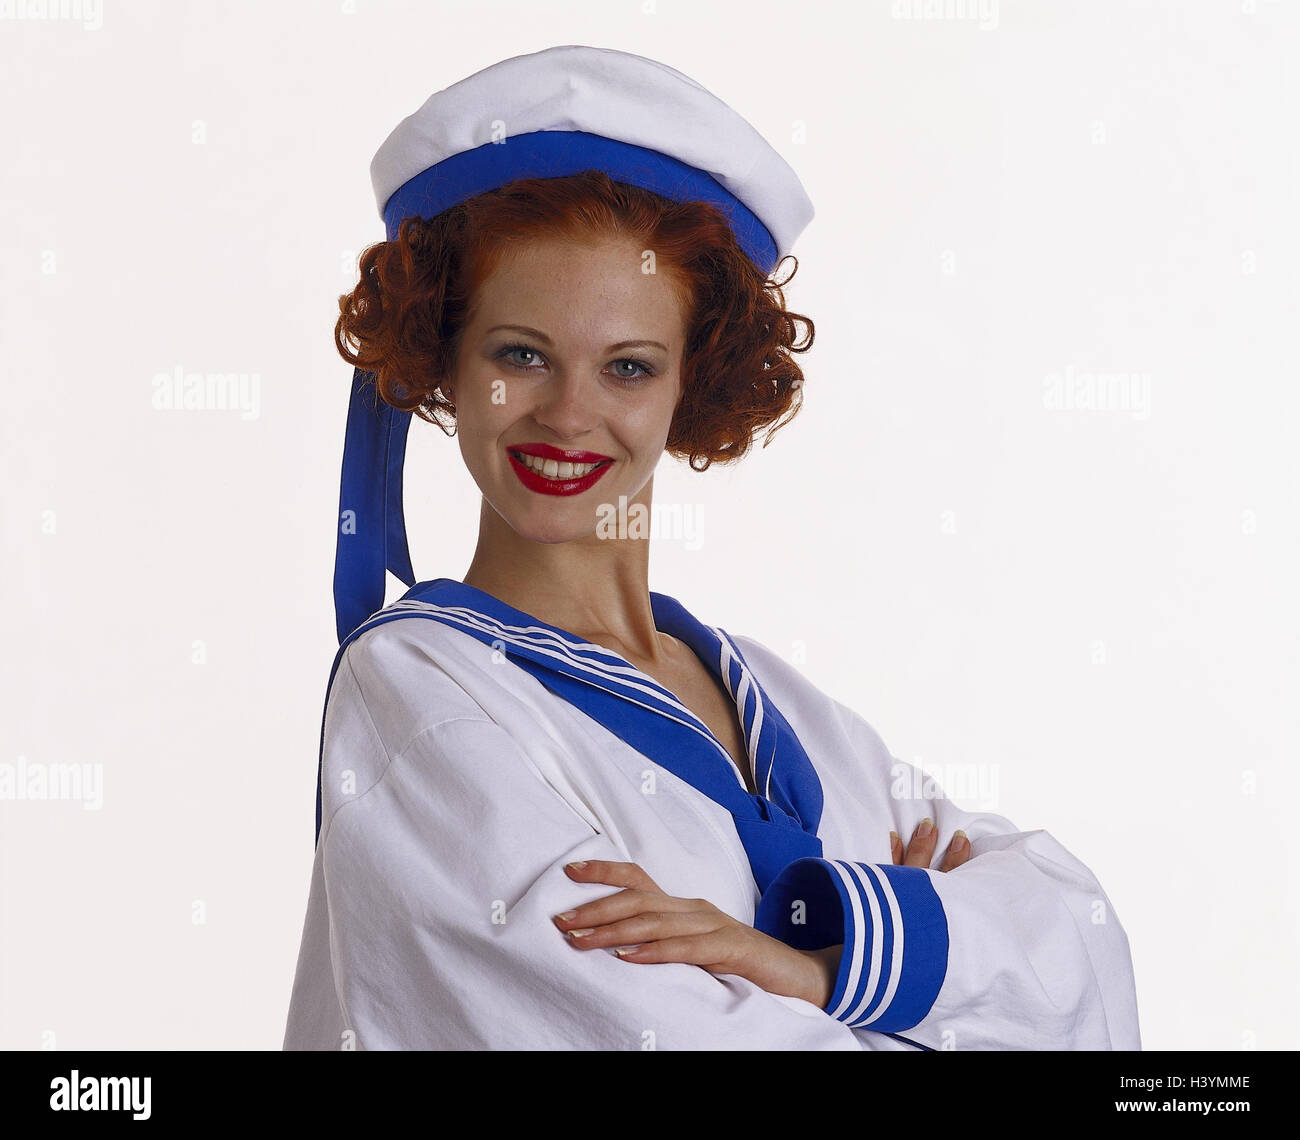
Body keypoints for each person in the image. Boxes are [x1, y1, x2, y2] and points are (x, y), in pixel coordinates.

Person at [282, 44, 1141, 1051]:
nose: (569, 414)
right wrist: (924, 981)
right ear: (444, 359)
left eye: (628, 367)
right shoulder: (422, 696)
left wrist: (810, 965)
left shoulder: (792, 714)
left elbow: (1080, 943)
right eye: (521, 355)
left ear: (696, 380)